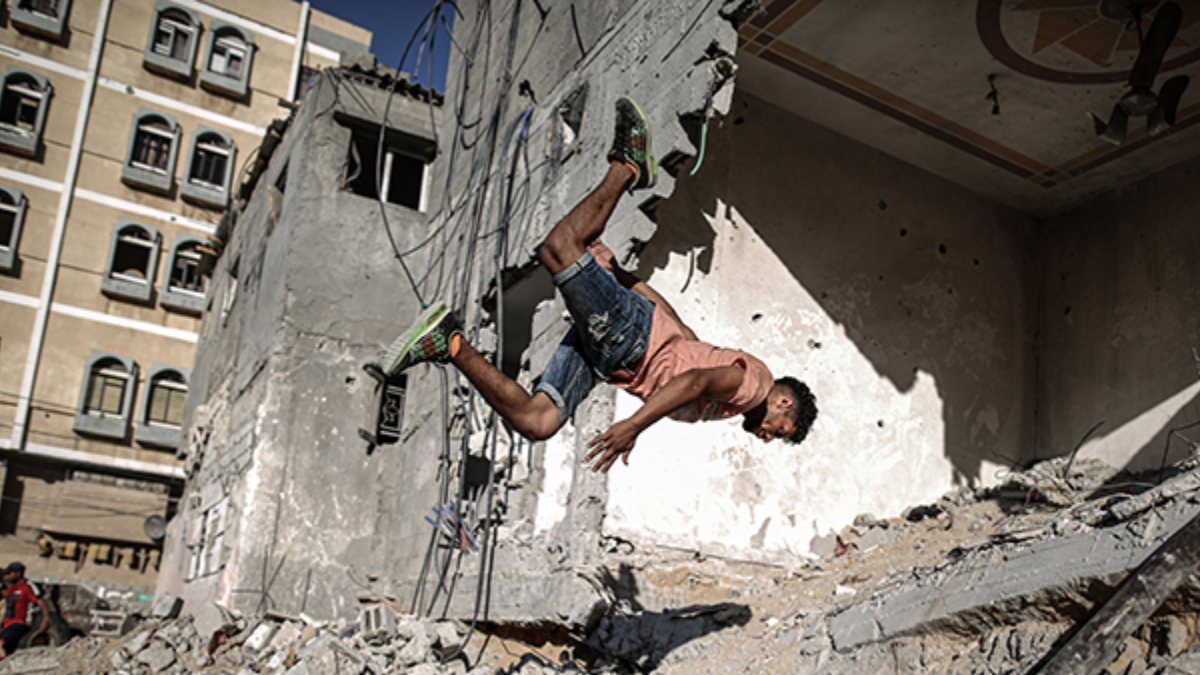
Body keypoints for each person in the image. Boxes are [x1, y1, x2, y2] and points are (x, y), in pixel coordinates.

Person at [386, 97, 817, 472]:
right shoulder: (754, 388)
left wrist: (619, 278)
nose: (768, 437)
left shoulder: (733, 401)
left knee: (538, 423)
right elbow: (693, 382)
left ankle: (448, 342)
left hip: (614, 355)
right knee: (558, 248)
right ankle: (628, 165)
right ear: (784, 404)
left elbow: (683, 334)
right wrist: (631, 428)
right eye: (780, 431)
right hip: (630, 340)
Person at [0, 562, 48, 660]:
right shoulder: (12, 589)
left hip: (19, 624)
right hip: (7, 624)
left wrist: (46, 618)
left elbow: (40, 602)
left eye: (10, 573)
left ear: (18, 573)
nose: (7, 576)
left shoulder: (27, 588)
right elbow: (5, 595)